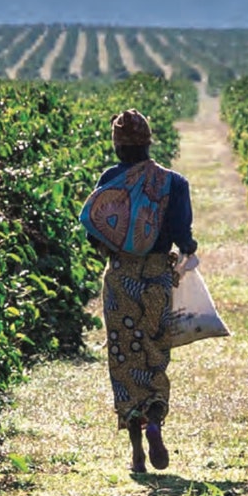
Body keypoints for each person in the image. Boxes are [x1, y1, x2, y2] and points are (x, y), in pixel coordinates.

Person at [87, 108, 198, 474]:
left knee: (124, 357)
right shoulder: (173, 183)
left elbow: (95, 232)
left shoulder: (110, 179)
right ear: (149, 143)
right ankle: (154, 420)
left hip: (120, 278)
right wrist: (186, 251)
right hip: (156, 278)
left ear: (117, 146)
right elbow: (184, 238)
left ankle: (136, 447)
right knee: (153, 353)